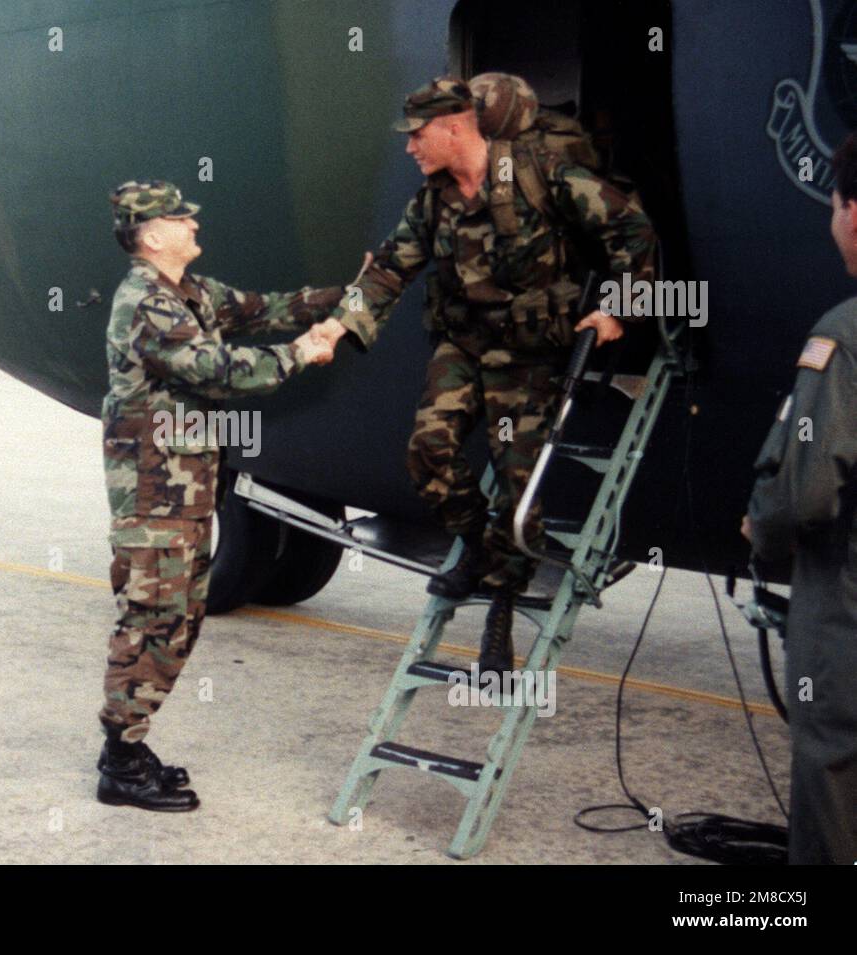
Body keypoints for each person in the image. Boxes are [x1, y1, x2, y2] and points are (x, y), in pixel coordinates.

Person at [316, 75, 657, 675]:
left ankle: (501, 605)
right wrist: (338, 328)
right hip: (462, 345)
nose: (409, 148)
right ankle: (477, 548)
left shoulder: (541, 174)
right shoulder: (432, 201)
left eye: (417, 135)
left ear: (454, 126)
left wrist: (618, 307)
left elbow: (631, 230)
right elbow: (390, 270)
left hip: (528, 355)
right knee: (429, 454)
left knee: (521, 489)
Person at [98, 179, 341, 811]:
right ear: (152, 236)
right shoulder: (146, 304)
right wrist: (299, 355)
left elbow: (265, 309)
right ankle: (119, 762)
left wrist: (350, 294)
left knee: (181, 616)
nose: (194, 224)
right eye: (182, 218)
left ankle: (131, 739)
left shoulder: (190, 293)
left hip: (185, 488)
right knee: (153, 617)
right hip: (154, 494)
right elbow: (217, 369)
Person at [744, 130, 857, 865]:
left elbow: (806, 492)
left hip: (847, 610)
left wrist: (761, 522)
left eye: (835, 204)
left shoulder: (843, 335)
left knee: (832, 772)